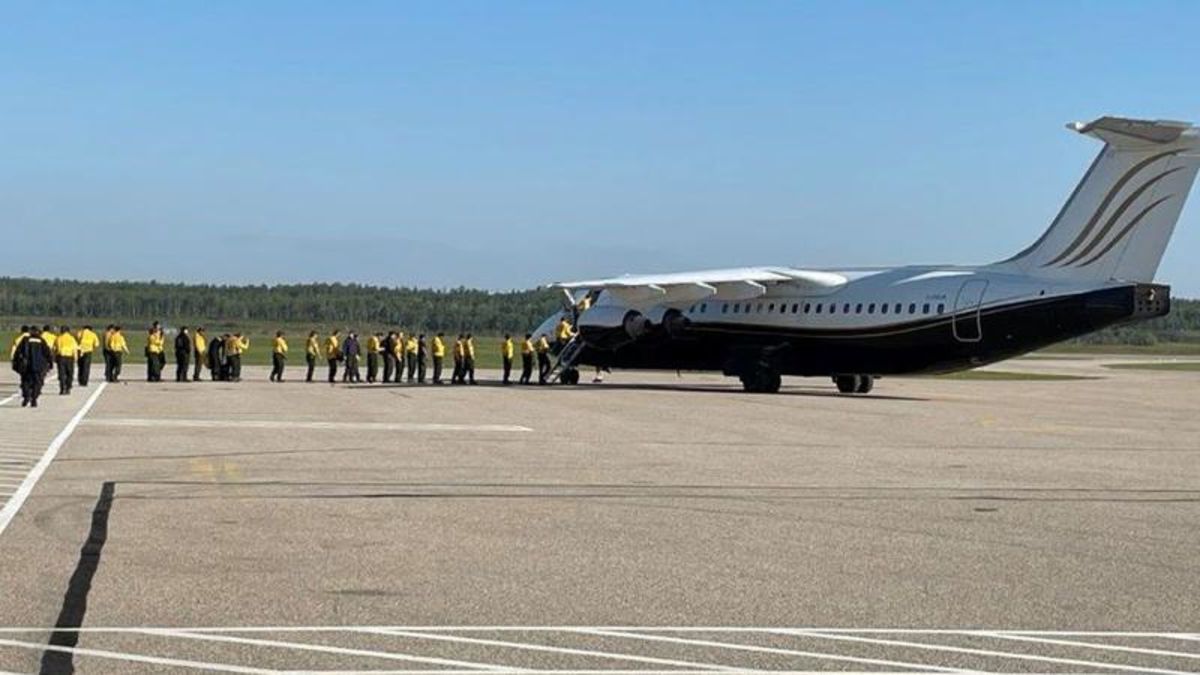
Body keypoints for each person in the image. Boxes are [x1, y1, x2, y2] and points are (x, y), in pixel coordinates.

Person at [13, 329, 51, 407]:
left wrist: (16, 363)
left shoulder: (25, 340)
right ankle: (34, 399)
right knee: (37, 383)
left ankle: (26, 397)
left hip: (26, 366)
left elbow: (18, 352)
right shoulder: (41, 341)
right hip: (38, 366)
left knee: (25, 382)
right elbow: (47, 353)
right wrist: (50, 363)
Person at [54, 326, 79, 395]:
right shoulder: (72, 338)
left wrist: (55, 357)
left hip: (61, 357)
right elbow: (75, 348)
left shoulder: (58, 338)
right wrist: (76, 357)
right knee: (70, 373)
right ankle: (68, 387)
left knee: (62, 373)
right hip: (70, 357)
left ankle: (62, 388)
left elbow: (56, 348)